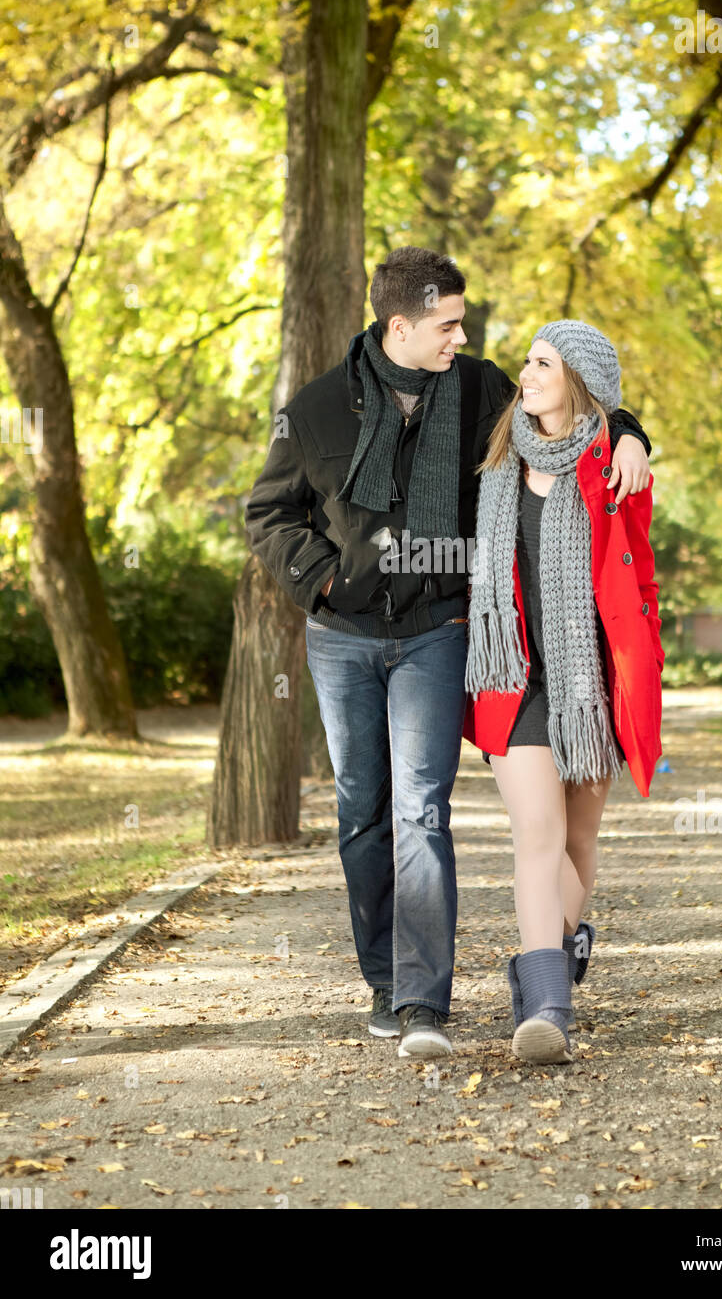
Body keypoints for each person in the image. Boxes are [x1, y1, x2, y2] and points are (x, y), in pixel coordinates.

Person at [244, 247, 652, 1060]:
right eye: (448, 324)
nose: (462, 337)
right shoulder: (318, 407)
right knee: (363, 810)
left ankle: (428, 1002)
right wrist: (324, 583)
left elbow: (580, 404)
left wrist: (637, 433)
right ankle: (388, 984)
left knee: (424, 808)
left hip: (439, 630)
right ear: (400, 326)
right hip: (343, 638)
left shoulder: (477, 390)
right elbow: (269, 513)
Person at [462, 319, 664, 1065]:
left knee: (579, 840)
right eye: (528, 359)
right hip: (515, 682)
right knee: (538, 836)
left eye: (544, 362)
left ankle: (551, 952)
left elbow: (634, 576)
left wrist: (632, 437)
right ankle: (548, 1007)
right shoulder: (499, 456)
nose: (527, 372)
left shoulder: (616, 466)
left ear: (576, 380)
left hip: (594, 687)